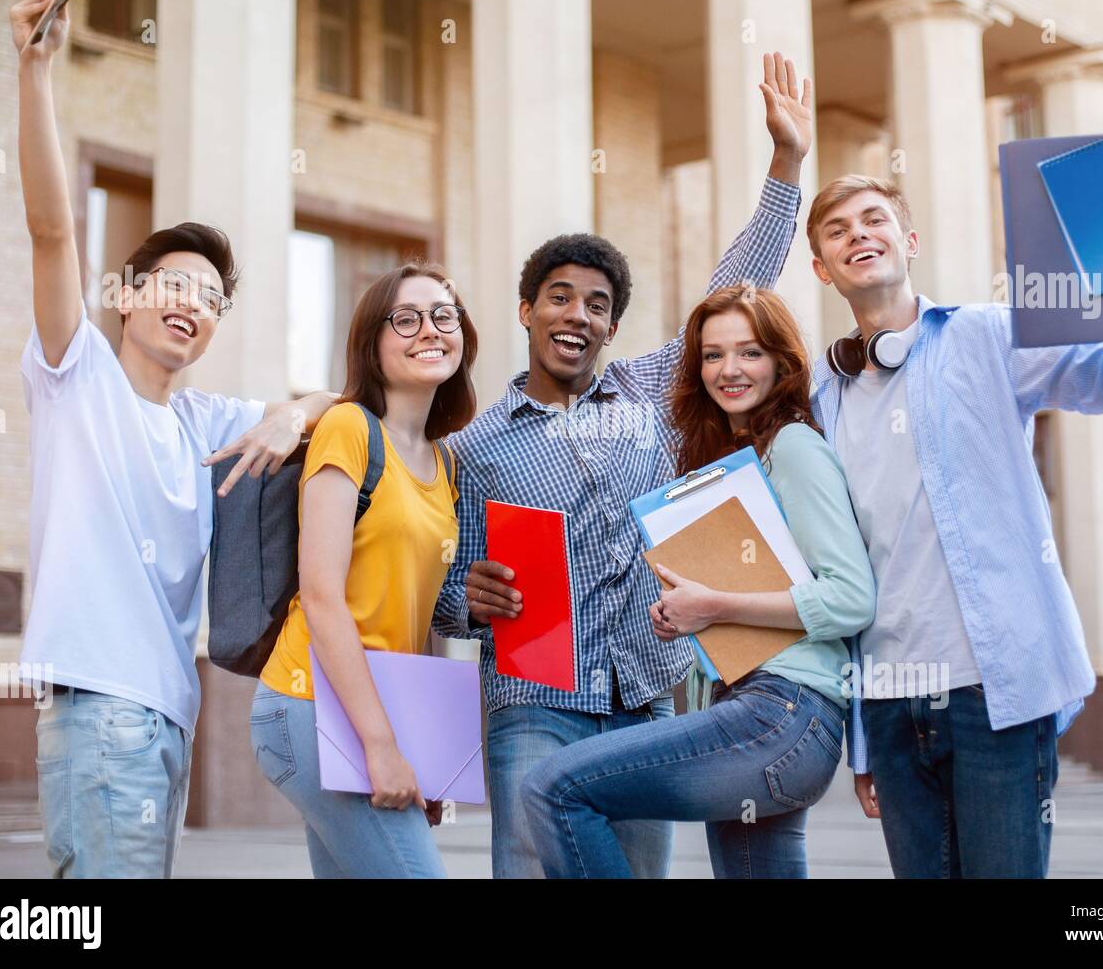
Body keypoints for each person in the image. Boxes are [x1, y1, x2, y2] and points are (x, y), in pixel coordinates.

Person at [431, 52, 811, 878]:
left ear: (610, 328)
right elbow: (442, 593)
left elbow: (736, 286)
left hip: (646, 705)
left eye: (598, 305)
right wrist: (469, 598)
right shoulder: (470, 449)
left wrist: (786, 161)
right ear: (527, 310)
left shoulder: (650, 393)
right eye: (561, 297)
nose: (578, 314)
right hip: (534, 707)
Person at [13, 0, 338, 878]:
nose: (192, 304)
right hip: (102, 706)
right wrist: (36, 72)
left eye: (211, 298)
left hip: (167, 715)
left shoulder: (207, 421)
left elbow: (341, 405)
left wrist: (293, 411)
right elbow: (49, 231)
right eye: (175, 285)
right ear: (125, 297)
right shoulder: (76, 378)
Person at [805, 167, 1103, 878]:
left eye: (874, 218)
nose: (858, 234)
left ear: (909, 240)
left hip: (996, 692)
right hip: (889, 704)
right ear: (821, 268)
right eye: (837, 230)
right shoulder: (821, 395)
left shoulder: (988, 335)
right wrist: (863, 736)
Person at [520, 284, 876, 878]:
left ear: (781, 362)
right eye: (713, 355)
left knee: (555, 789)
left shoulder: (793, 446)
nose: (729, 369)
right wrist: (687, 615)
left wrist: (714, 605)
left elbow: (851, 597)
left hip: (782, 713)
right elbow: (753, 599)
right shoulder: (735, 459)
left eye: (749, 352)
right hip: (755, 711)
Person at [251, 263, 478, 878]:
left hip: (374, 711)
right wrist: (382, 747)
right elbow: (323, 597)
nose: (429, 329)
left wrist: (422, 752)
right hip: (308, 703)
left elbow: (409, 617)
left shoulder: (445, 464)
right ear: (371, 344)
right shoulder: (349, 429)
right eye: (405, 318)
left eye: (443, 315)